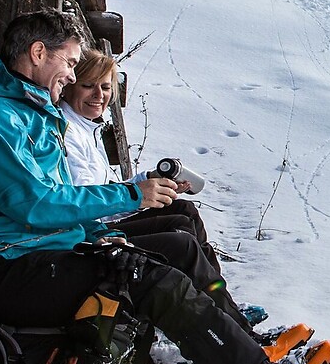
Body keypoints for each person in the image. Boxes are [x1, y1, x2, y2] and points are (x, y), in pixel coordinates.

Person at [0, 8, 330, 364]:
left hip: (41, 252)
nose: (72, 75)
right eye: (71, 63)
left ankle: (249, 356)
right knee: (152, 279)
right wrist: (132, 196)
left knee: (159, 257)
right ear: (38, 52)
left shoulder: (30, 112)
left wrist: (102, 235)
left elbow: (55, 197)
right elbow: (32, 203)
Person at [59, 48, 262, 338]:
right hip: (90, 235)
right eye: (88, 85)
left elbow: (106, 188)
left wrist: (151, 181)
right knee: (182, 241)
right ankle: (231, 327)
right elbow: (88, 201)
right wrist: (139, 194)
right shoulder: (67, 132)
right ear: (69, 86)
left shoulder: (86, 127)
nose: (98, 95)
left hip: (100, 222)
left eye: (105, 87)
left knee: (184, 212)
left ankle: (220, 305)